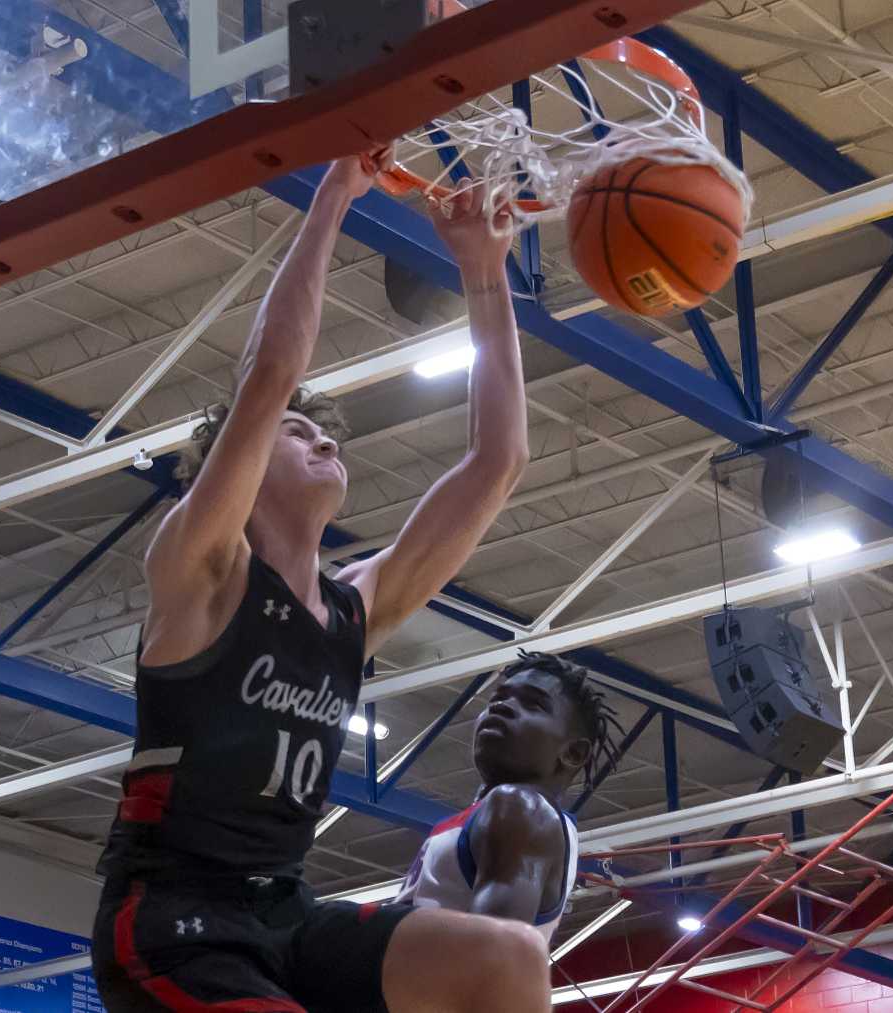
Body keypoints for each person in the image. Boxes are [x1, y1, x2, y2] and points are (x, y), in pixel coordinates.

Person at [91, 148, 547, 1013]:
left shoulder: (352, 610)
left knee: (507, 958)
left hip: (285, 911)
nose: (327, 439)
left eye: (324, 432)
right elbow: (269, 375)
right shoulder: (201, 570)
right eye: (298, 433)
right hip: (173, 918)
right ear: (242, 462)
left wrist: (485, 272)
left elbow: (499, 461)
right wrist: (338, 189)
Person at [395, 651, 622, 942]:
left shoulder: (521, 808)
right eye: (497, 698)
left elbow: (492, 948)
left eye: (532, 704)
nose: (502, 706)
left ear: (574, 753)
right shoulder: (498, 814)